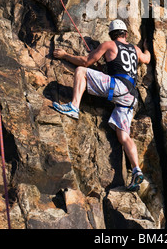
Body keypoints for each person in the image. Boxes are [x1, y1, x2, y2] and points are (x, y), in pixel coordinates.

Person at [52, 19, 151, 191]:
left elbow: (85, 61)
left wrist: (65, 56)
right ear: (126, 34)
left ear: (112, 34)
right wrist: (147, 46)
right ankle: (136, 170)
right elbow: (147, 59)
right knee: (124, 136)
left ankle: (74, 107)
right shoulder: (135, 49)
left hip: (118, 87)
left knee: (81, 72)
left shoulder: (109, 45)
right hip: (130, 97)